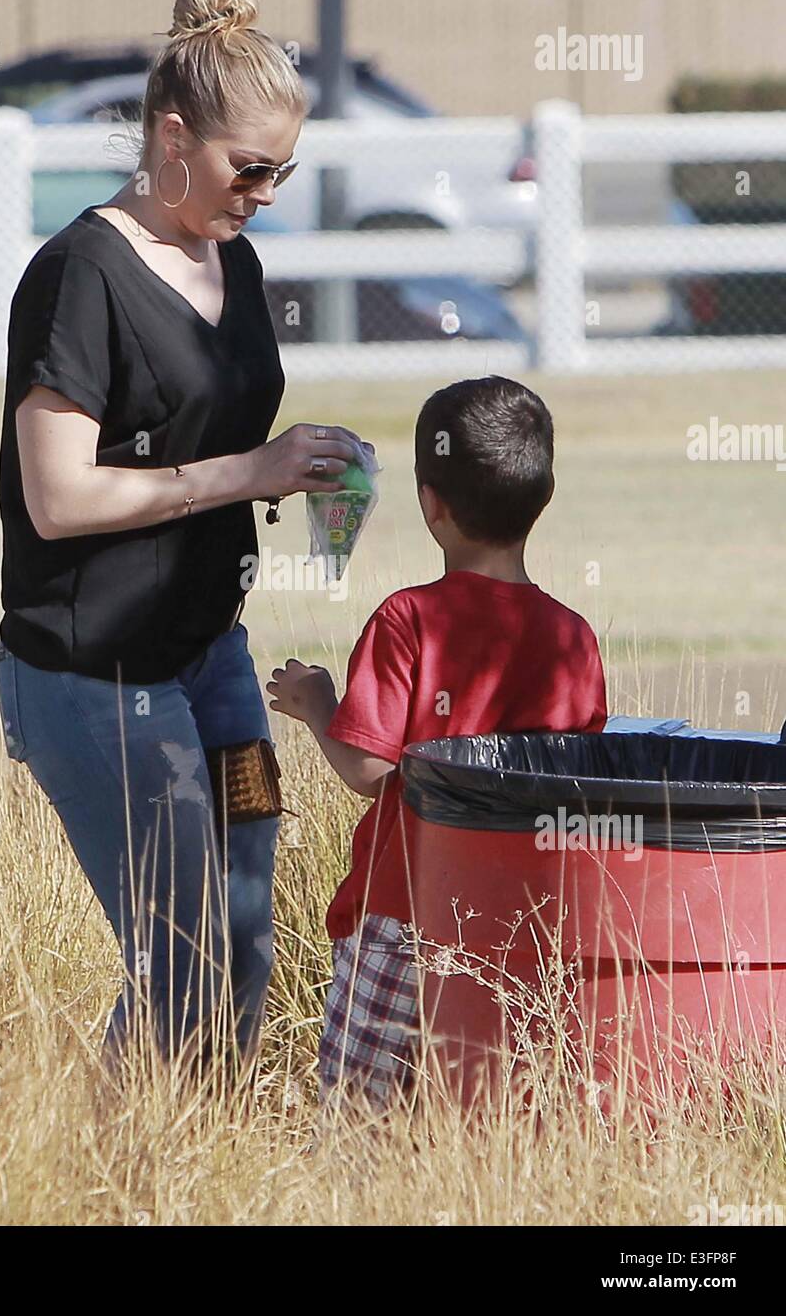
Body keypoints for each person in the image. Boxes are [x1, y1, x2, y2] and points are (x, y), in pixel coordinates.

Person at [0, 0, 368, 1086]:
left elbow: (206, 429)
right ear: (171, 137)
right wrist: (247, 466)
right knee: (184, 950)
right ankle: (124, 1173)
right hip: (99, 683)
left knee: (248, 912)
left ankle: (209, 1156)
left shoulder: (233, 260)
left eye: (283, 171)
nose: (266, 192)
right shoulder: (78, 278)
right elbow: (59, 501)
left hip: (216, 670)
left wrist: (301, 466)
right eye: (250, 167)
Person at [265, 376, 608, 1114]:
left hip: (401, 917)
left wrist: (316, 702)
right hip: (524, 927)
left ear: (431, 505)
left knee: (362, 1127)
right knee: (488, 1119)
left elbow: (366, 765)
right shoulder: (573, 638)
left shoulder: (409, 620)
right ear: (538, 498)